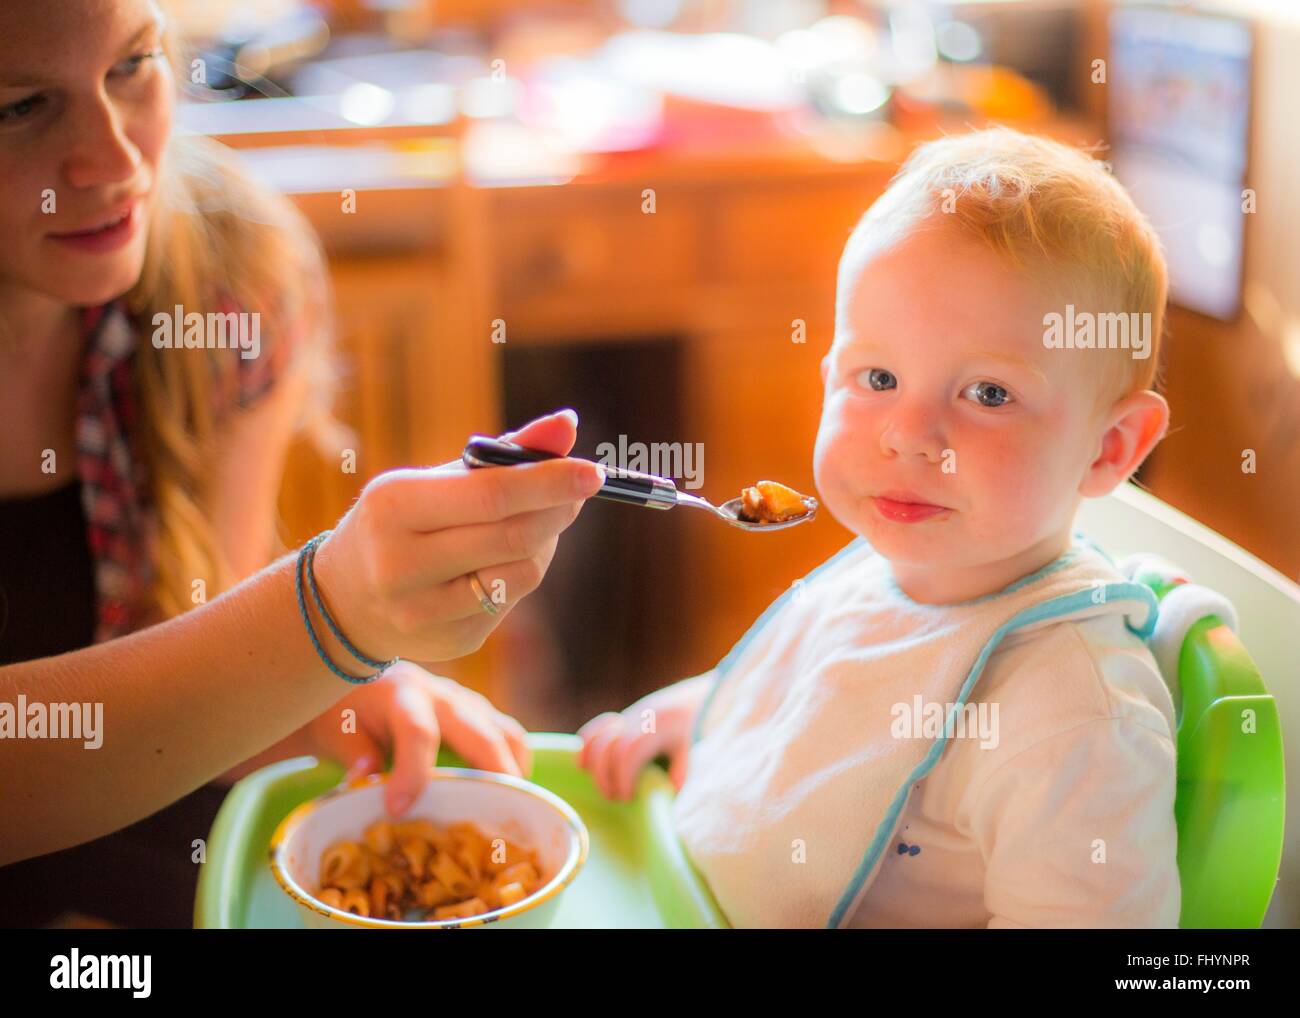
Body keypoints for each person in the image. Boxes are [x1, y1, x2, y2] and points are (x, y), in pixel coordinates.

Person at [0, 0, 603, 926]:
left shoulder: (228, 270)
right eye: (19, 109)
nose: (117, 163)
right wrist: (326, 614)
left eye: (133, 66)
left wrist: (316, 691)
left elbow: (194, 633)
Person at [579, 128, 1180, 928]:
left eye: (989, 394)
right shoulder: (900, 565)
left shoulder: (1074, 718)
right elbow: (820, 705)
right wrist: (704, 714)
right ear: (830, 375)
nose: (908, 434)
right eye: (880, 378)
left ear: (1110, 448)